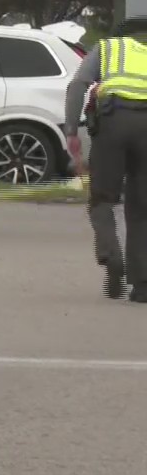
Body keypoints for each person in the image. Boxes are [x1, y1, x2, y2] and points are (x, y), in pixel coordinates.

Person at [65, 23, 147, 300]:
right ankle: (142, 284)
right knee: (142, 206)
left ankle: (111, 255)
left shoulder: (109, 47)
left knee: (102, 199)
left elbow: (77, 86)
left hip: (114, 122)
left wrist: (71, 132)